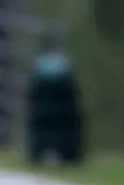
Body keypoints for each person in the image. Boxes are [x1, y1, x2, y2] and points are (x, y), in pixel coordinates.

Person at [25, 32, 85, 166]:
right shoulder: (65, 66)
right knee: (68, 126)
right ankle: (67, 155)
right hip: (62, 109)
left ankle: (40, 154)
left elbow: (33, 93)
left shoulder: (39, 66)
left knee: (41, 127)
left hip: (44, 108)